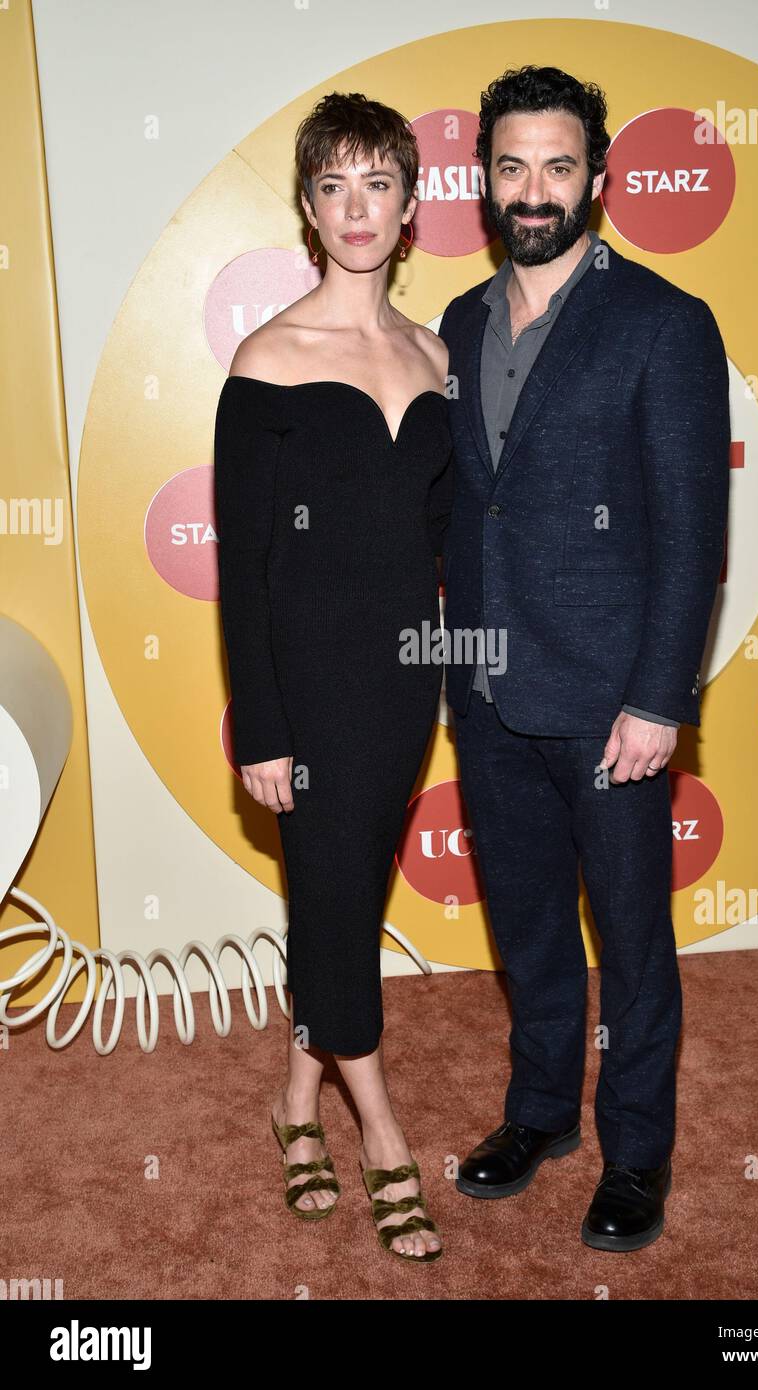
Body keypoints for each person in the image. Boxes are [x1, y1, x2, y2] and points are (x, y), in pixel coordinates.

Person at [438, 65, 730, 1251]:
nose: (534, 188)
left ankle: (638, 1157)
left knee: (632, 943)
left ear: (598, 180)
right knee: (528, 930)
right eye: (512, 165)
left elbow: (690, 530)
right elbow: (472, 507)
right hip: (492, 691)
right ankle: (540, 1114)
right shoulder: (459, 321)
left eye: (559, 166)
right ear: (484, 181)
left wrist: (661, 698)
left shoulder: (663, 322)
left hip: (614, 703)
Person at [213, 92, 453, 1262]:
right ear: (309, 211)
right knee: (332, 899)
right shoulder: (268, 361)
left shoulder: (435, 356)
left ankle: (293, 1101)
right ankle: (385, 1134)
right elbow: (244, 570)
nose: (356, 210)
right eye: (331, 187)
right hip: (306, 692)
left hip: (406, 684)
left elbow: (454, 542)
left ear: (410, 208)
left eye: (377, 185)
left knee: (344, 900)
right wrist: (259, 726)